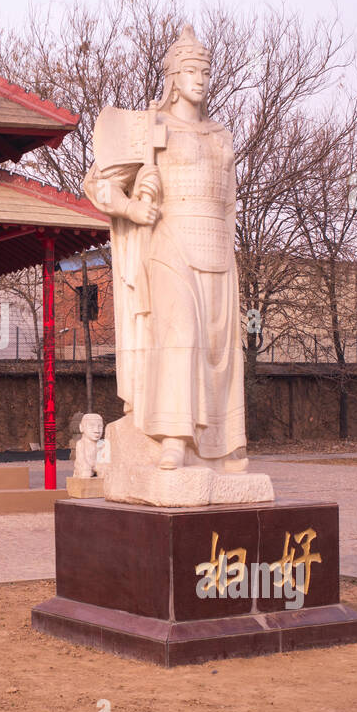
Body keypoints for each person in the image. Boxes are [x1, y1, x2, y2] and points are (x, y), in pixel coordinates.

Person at [83, 26, 248, 472]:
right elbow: (98, 183)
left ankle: (222, 440)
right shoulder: (150, 128)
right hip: (170, 243)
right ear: (174, 76)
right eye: (191, 70)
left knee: (221, 344)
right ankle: (174, 435)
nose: (200, 79)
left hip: (216, 245)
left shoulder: (222, 136)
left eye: (206, 71)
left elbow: (230, 201)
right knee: (182, 337)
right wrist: (134, 207)